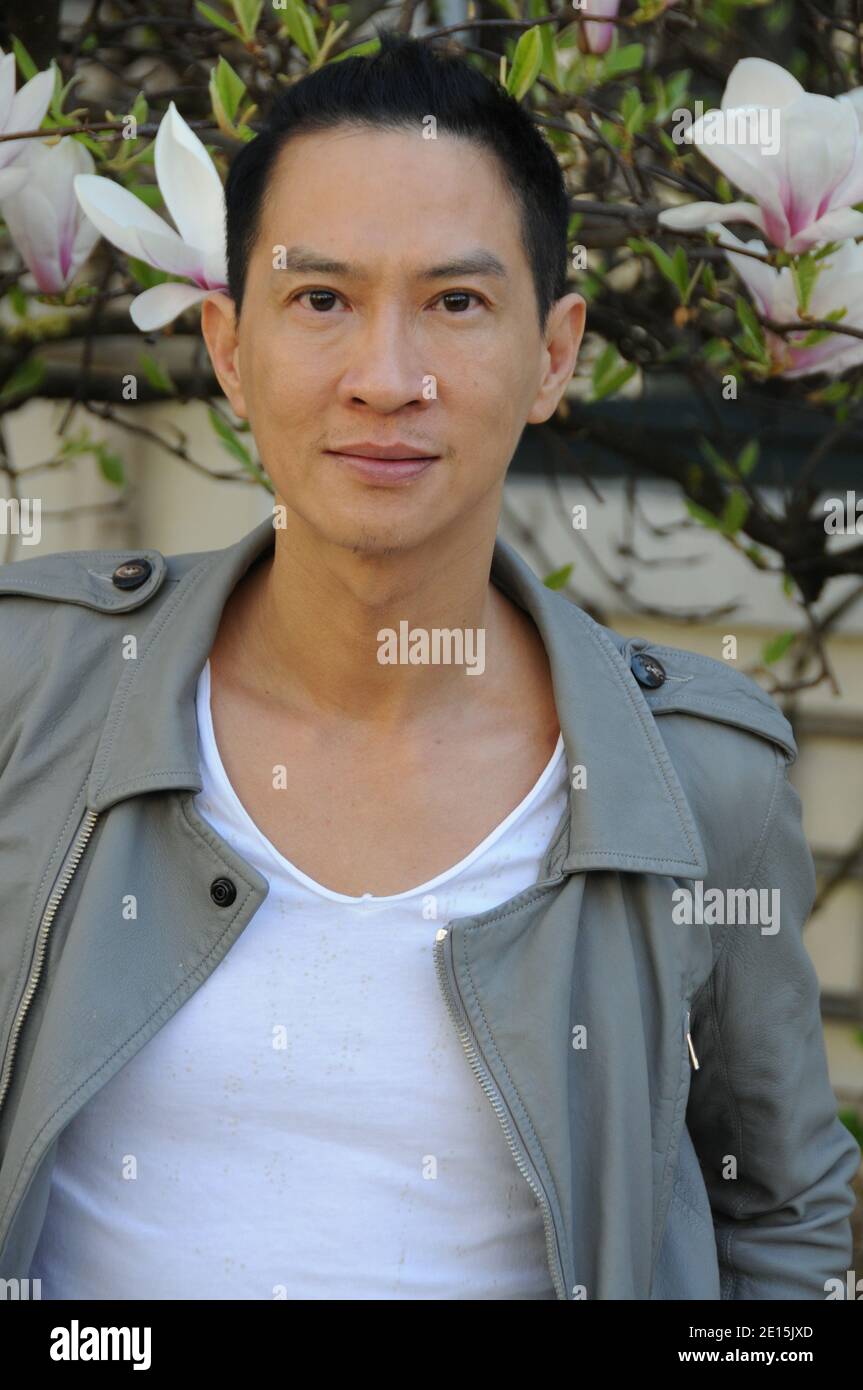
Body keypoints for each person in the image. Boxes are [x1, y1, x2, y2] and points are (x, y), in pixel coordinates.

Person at [0, 30, 858, 1301]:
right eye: (321, 299)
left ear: (553, 354)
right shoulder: (35, 684)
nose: (385, 380)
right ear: (228, 347)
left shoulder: (694, 781)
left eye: (455, 303)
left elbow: (779, 1216)